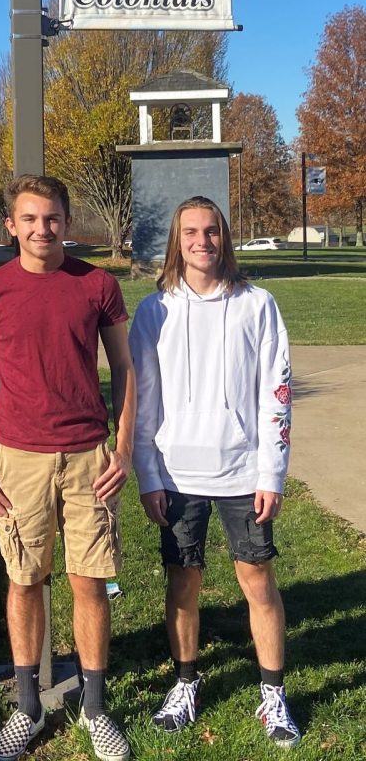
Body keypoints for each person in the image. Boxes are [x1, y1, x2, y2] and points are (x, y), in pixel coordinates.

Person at [0, 175, 136, 761]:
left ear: (67, 221)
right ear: (11, 226)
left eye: (52, 218)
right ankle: (27, 707)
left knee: (90, 582)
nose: (43, 228)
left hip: (88, 456)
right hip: (19, 458)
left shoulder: (97, 284)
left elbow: (125, 369)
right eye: (30, 219)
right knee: (24, 580)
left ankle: (95, 708)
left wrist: (123, 447)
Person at [129, 195, 300, 747]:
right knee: (183, 581)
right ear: (176, 242)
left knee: (257, 580)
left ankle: (272, 693)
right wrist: (148, 475)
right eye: (191, 233)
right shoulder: (154, 311)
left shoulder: (257, 305)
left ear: (224, 237)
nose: (202, 242)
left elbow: (276, 395)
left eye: (212, 231)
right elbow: (142, 403)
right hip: (177, 476)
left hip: (243, 474)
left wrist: (271, 473)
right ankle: (186, 682)